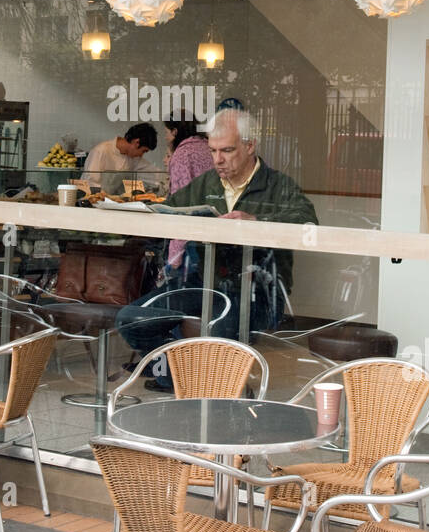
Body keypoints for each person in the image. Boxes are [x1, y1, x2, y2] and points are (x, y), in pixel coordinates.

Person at [116, 108, 317, 387]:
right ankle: (183, 376)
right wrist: (141, 213)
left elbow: (308, 223)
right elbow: (170, 210)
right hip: (203, 282)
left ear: (250, 146)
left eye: (227, 150)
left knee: (221, 334)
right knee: (132, 319)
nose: (218, 160)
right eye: (213, 151)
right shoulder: (207, 182)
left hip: (256, 290)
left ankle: (212, 390)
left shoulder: (278, 186)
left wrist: (257, 221)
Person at [163, 119, 214, 276]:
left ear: (175, 131)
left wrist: (175, 254)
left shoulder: (182, 155)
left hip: (188, 239)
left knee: (183, 292)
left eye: (166, 132)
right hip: (211, 231)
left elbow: (182, 206)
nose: (165, 137)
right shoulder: (208, 148)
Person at [83, 122, 159, 194]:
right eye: (143, 151)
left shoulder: (133, 158)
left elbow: (154, 174)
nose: (141, 155)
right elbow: (91, 182)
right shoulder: (101, 151)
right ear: (136, 142)